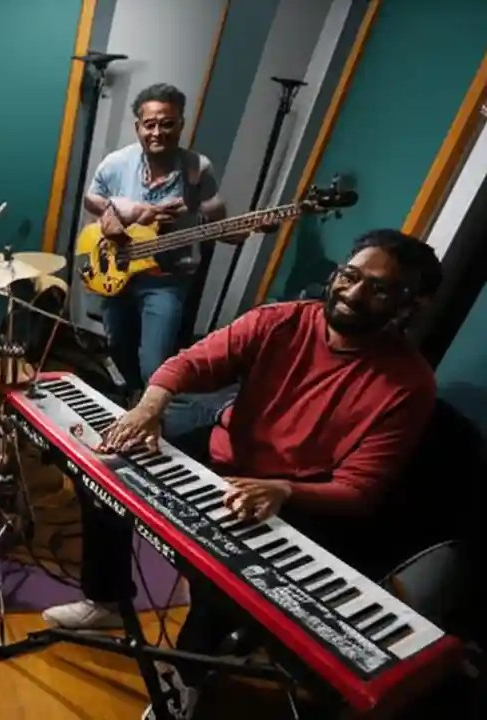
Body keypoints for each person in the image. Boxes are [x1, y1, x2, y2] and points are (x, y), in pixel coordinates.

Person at [41, 229, 442, 719]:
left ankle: (186, 679)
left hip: (291, 496)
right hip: (223, 455)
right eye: (350, 276)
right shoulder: (280, 321)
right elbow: (188, 364)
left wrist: (285, 489)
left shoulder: (409, 384)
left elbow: (359, 491)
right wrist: (150, 407)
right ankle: (106, 598)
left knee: (224, 570)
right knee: (102, 477)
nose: (354, 294)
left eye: (378, 289)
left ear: (409, 305)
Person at [85, 83, 249, 399]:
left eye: (167, 123)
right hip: (117, 271)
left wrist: (241, 230)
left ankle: (151, 412)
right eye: (150, 124)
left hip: (166, 280)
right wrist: (121, 213)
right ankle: (132, 393)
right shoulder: (116, 163)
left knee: (155, 364)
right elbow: (92, 198)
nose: (157, 132)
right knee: (117, 344)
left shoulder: (197, 169)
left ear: (181, 124)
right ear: (138, 127)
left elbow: (218, 219)